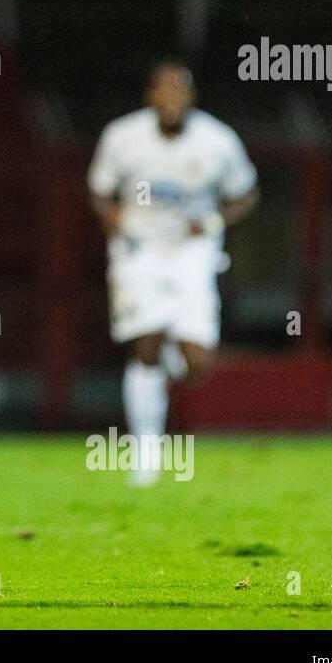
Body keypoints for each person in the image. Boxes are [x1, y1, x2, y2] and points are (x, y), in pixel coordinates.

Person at [88, 61, 258, 485]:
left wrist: (215, 221)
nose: (172, 100)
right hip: (139, 248)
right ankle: (146, 451)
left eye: (180, 92)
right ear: (150, 98)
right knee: (143, 345)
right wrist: (113, 222)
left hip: (192, 250)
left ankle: (170, 355)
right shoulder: (123, 137)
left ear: (192, 98)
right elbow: (99, 189)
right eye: (164, 92)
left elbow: (246, 193)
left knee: (197, 361)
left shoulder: (216, 141)